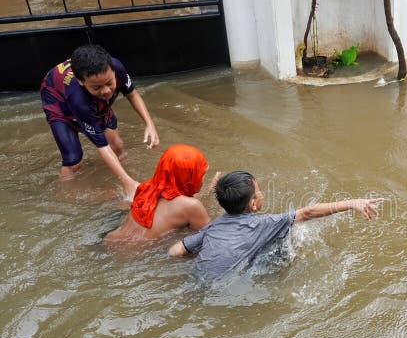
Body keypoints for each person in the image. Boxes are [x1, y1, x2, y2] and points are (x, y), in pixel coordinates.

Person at [168, 171, 383, 280]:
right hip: (225, 286)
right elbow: (308, 212)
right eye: (259, 191)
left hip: (197, 279)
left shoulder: (213, 226)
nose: (262, 194)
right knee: (284, 249)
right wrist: (352, 203)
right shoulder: (264, 223)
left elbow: (176, 250)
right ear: (253, 204)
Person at [41, 44, 159, 199]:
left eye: (110, 83)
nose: (106, 91)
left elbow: (132, 95)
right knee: (73, 161)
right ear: (81, 81)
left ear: (113, 71)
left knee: (117, 146)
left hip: (90, 100)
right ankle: (65, 196)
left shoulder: (116, 67)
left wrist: (149, 124)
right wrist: (126, 182)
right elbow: (101, 146)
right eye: (97, 87)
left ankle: (126, 178)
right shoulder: (78, 99)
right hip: (57, 100)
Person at [105, 144, 214, 242]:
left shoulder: (147, 187)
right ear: (188, 176)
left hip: (109, 239)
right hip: (132, 256)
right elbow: (210, 237)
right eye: (201, 173)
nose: (202, 178)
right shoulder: (192, 206)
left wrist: (208, 190)